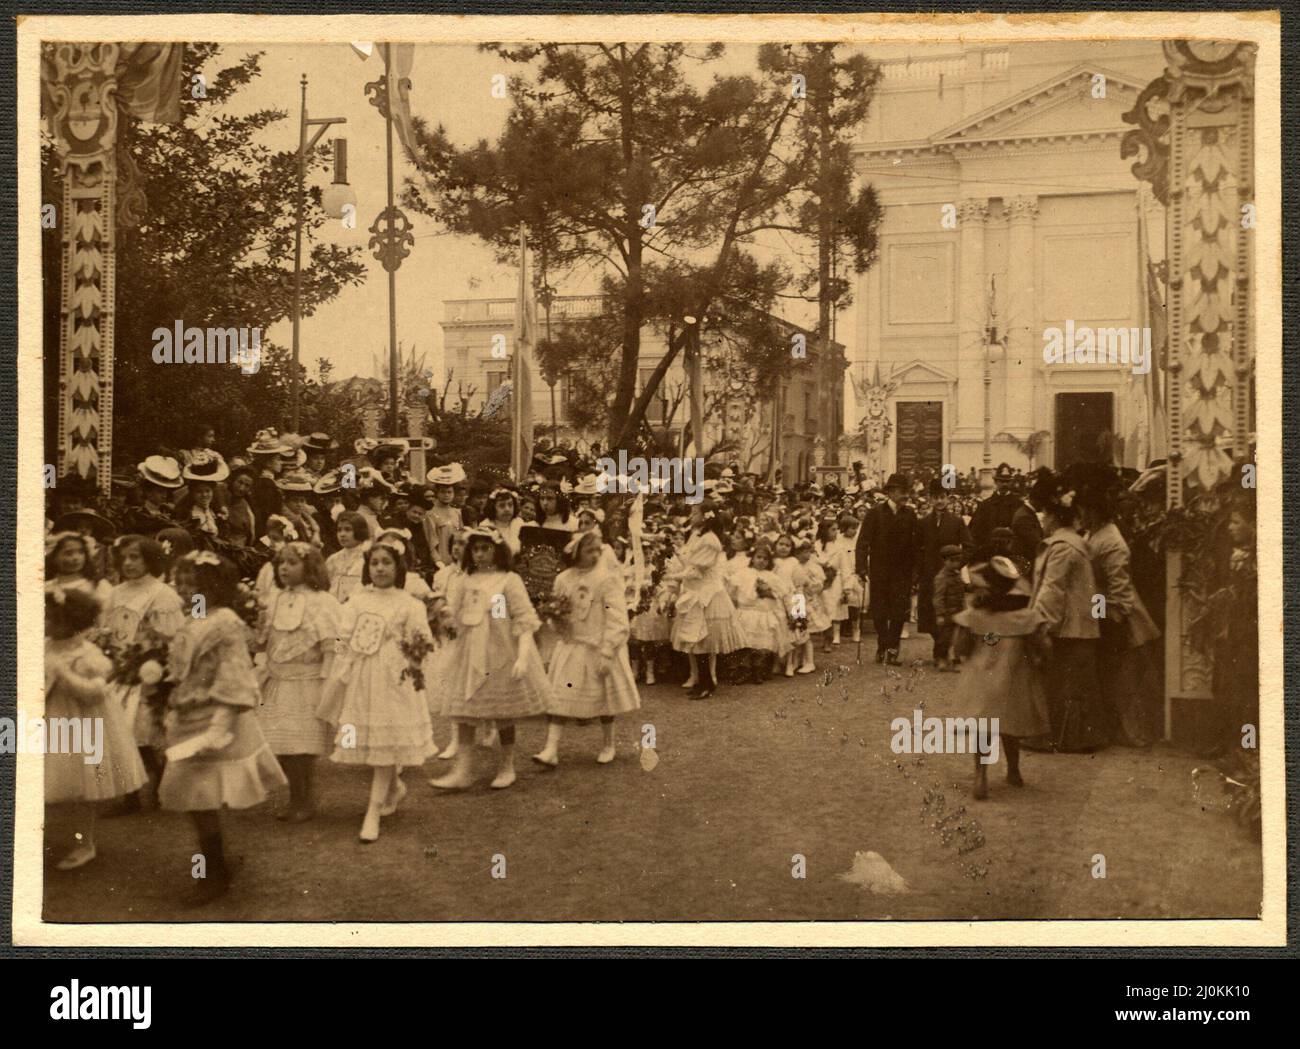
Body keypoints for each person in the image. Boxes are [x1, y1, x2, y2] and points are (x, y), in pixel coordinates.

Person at [159, 552, 288, 904]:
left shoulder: (225, 623)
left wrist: (220, 725)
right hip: (189, 717)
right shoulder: (192, 621)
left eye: (194, 585)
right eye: (181, 583)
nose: (185, 591)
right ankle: (216, 863)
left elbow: (233, 676)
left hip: (215, 719)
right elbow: (181, 668)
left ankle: (213, 872)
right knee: (195, 799)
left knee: (202, 796)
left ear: (214, 588)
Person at [318, 540, 437, 841]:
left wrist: (410, 655)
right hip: (361, 675)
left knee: (385, 742)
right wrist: (343, 661)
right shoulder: (357, 600)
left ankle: (372, 812)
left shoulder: (410, 604)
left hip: (393, 677)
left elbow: (422, 642)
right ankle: (394, 788)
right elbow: (342, 636)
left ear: (398, 567)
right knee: (369, 741)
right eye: (374, 563)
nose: (380, 568)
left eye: (386, 562)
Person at [429, 528, 553, 790]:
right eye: (475, 549)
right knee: (464, 712)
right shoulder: (466, 580)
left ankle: (506, 765)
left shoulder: (509, 580)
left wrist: (522, 656)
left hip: (500, 652)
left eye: (485, 548)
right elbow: (457, 614)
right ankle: (463, 769)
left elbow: (524, 619)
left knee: (502, 712)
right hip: (469, 652)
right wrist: (443, 614)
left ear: (497, 550)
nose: (480, 553)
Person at [45, 585, 147, 870]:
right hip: (49, 720)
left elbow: (94, 692)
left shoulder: (86, 653)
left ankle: (84, 842)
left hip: (80, 723)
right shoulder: (43, 646)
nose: (45, 623)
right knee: (50, 782)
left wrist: (63, 674)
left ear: (71, 621)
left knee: (81, 786)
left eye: (51, 618)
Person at [532, 530, 642, 767]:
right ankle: (550, 748)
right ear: (576, 552)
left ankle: (608, 743)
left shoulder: (607, 579)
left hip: (599, 644)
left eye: (597, 550)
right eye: (589, 550)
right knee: (559, 696)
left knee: (604, 698)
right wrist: (555, 619)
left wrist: (608, 650)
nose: (595, 554)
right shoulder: (564, 578)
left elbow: (617, 618)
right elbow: (559, 610)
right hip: (573, 645)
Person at [951, 557, 1050, 799]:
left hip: (981, 680)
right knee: (1011, 723)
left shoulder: (974, 616)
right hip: (1014, 677)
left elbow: (960, 649)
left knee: (983, 728)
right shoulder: (1024, 617)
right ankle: (1014, 771)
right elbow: (1043, 647)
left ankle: (980, 776)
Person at [100, 535, 185, 816]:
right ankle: (130, 796)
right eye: (124, 558)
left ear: (150, 559)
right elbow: (110, 631)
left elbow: (171, 636)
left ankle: (160, 788)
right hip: (122, 670)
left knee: (145, 734)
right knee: (120, 734)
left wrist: (157, 664)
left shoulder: (162, 594)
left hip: (150, 672)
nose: (128, 563)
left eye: (135, 557)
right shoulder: (116, 592)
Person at [256, 542, 340, 822]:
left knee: (302, 747)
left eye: (292, 563)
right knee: (283, 744)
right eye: (281, 563)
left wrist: (327, 680)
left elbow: (331, 643)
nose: (284, 568)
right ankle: (296, 797)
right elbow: (266, 639)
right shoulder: (275, 599)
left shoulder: (322, 601)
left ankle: (305, 799)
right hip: (279, 679)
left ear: (309, 567)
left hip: (308, 681)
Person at [1079, 480, 1162, 747]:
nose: (1081, 514)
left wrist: (1106, 617)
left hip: (1120, 616)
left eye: (1084, 509)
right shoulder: (1094, 532)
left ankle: (1129, 731)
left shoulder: (1111, 540)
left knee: (1123, 677)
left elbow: (1118, 587)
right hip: (1101, 608)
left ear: (1094, 511)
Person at [1029, 482, 1108, 753]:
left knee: (1064, 683)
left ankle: (1064, 738)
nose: (1042, 519)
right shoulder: (1075, 542)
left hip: (1068, 626)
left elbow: (1052, 590)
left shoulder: (1061, 547)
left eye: (1045, 515)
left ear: (1053, 518)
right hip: (1080, 623)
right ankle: (1078, 738)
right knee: (1076, 682)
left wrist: (1039, 625)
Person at [667, 503, 743, 700]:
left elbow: (696, 570)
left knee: (702, 639)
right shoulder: (697, 535)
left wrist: (675, 577)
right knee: (695, 638)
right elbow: (689, 562)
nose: (691, 516)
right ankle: (703, 681)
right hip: (695, 591)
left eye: (695, 513)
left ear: (705, 517)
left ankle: (707, 683)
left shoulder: (710, 540)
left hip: (707, 593)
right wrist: (675, 555)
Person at [854, 472, 919, 665]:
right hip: (880, 570)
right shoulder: (875, 513)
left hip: (902, 572)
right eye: (901, 491)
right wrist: (861, 568)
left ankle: (892, 651)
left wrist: (915, 571)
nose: (905, 495)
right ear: (890, 492)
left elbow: (915, 545)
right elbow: (862, 542)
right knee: (880, 612)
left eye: (907, 491)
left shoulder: (910, 514)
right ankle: (882, 645)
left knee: (899, 613)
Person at [916, 479, 973, 664]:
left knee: (950, 614)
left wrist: (957, 565)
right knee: (930, 613)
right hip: (929, 575)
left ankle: (941, 652)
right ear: (930, 499)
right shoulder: (923, 522)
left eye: (942, 497)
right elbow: (916, 548)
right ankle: (940, 647)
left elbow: (969, 546)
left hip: (950, 576)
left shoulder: (957, 522)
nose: (939, 501)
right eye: (935, 498)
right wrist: (919, 570)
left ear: (948, 498)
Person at [726, 540, 792, 684]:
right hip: (747, 611)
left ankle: (758, 669)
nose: (761, 561)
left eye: (765, 559)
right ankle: (745, 669)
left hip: (764, 613)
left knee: (763, 644)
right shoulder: (743, 573)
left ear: (769, 561)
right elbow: (732, 591)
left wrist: (767, 592)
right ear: (752, 558)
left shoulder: (772, 576)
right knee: (746, 643)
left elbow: (782, 593)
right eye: (759, 557)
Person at [969, 462, 1022, 558]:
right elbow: (975, 532)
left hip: (1012, 554)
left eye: (1007, 481)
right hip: (990, 554)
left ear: (1011, 482)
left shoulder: (1019, 505)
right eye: (1001, 481)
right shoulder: (985, 505)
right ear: (996, 482)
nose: (1004, 484)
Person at [931, 545, 966, 671]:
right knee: (944, 639)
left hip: (958, 612)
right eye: (953, 560)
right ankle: (941, 659)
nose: (956, 563)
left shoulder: (957, 575)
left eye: (958, 560)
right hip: (947, 613)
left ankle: (956, 660)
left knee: (958, 639)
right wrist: (940, 614)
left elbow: (961, 592)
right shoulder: (941, 578)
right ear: (945, 561)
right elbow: (938, 597)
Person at [325, 511, 370, 605]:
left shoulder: (369, 556)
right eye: (339, 530)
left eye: (348, 529)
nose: (342, 534)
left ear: (359, 530)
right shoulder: (333, 559)